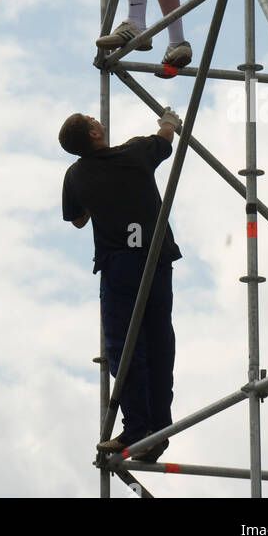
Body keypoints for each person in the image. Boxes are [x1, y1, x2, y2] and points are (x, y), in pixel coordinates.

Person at [59, 105, 182, 459]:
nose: (98, 120)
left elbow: (79, 220)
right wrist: (168, 121)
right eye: (93, 120)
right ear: (94, 134)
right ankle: (158, 429)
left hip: (120, 266)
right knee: (159, 342)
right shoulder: (135, 152)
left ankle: (138, 428)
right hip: (156, 258)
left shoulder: (75, 174)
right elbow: (164, 139)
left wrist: (104, 200)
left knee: (125, 347)